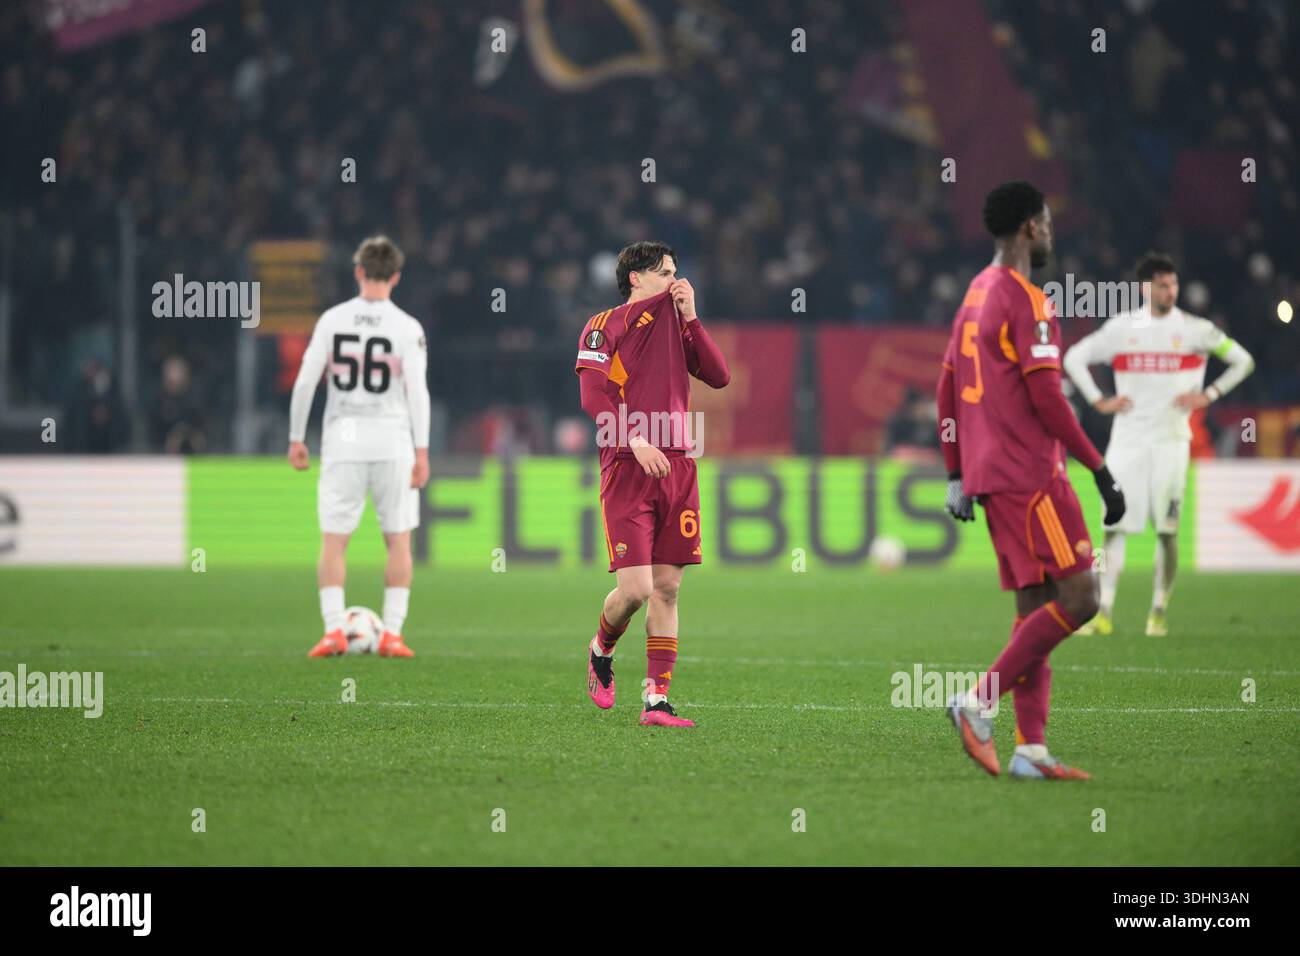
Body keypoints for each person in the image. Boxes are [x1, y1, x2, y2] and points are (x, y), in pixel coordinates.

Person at [936, 181, 1126, 779]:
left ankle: (1031, 750)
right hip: (1032, 474)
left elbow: (945, 387)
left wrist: (957, 471)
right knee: (1082, 598)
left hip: (993, 476)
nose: (1050, 231)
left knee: (1035, 609)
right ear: (1028, 228)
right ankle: (976, 702)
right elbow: (1047, 398)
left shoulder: (975, 292)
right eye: (1046, 221)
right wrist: (1099, 468)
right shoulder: (1026, 299)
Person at [574, 241, 730, 727]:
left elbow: (719, 376)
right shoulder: (603, 327)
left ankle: (656, 700)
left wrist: (693, 315)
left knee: (667, 588)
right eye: (666, 273)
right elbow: (593, 396)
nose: (675, 280)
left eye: (678, 271)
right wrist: (634, 438)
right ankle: (602, 648)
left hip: (678, 464)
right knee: (636, 590)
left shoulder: (677, 321)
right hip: (627, 462)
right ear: (636, 278)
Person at [1064, 253, 1254, 636]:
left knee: (1167, 531)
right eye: (1163, 284)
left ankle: (1158, 609)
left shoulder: (1195, 329)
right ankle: (1103, 610)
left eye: (1173, 283)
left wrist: (1210, 393)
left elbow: (1243, 361)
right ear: (1144, 288)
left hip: (1170, 442)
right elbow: (1073, 358)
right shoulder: (1122, 328)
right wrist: (1098, 399)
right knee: (1111, 526)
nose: (1171, 290)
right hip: (1128, 442)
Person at [288, 236, 430, 659]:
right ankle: (393, 634)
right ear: (397, 277)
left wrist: (297, 437)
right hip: (392, 439)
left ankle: (333, 630)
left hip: (343, 438)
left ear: (358, 272)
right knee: (398, 540)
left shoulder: (332, 320)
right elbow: (417, 391)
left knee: (334, 541)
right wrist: (422, 450)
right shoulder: (407, 327)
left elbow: (305, 380)